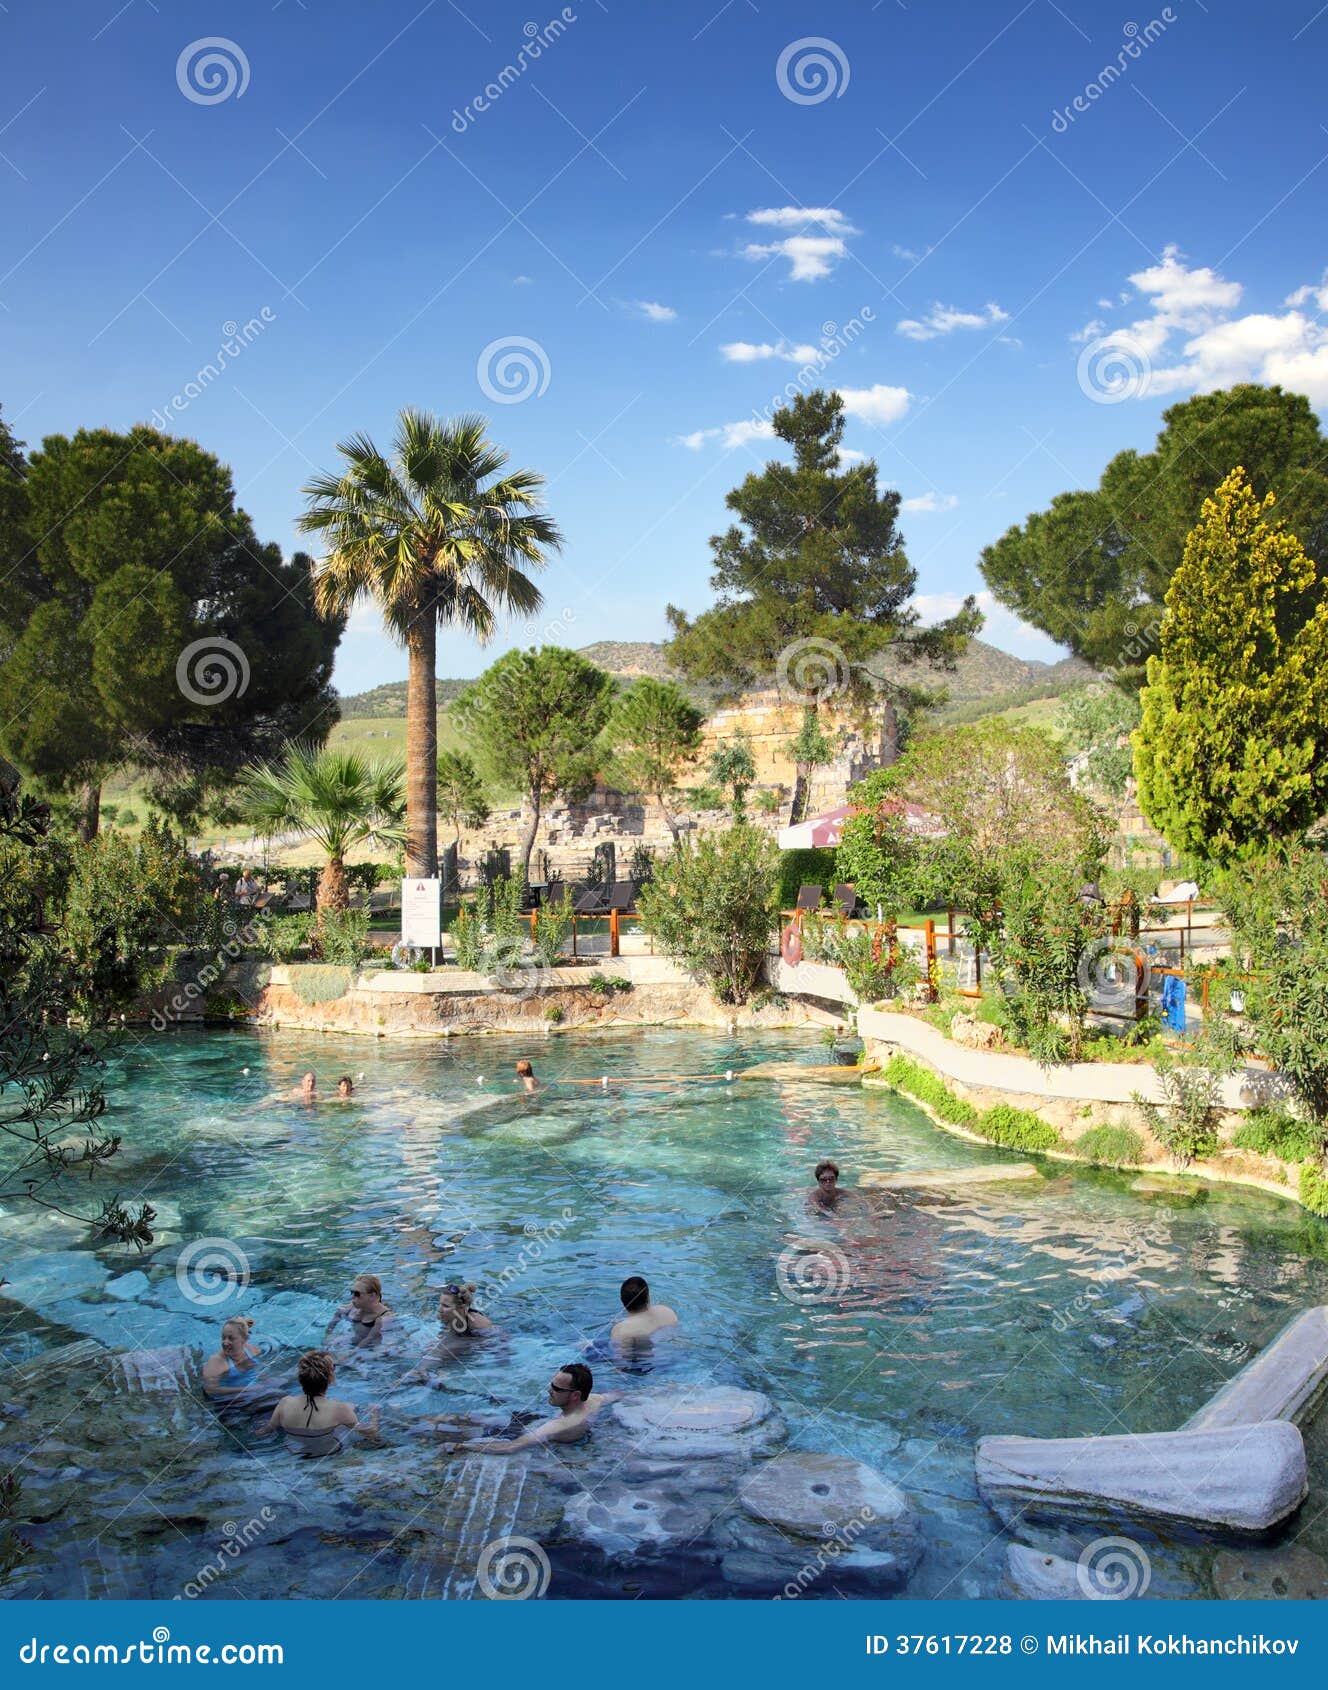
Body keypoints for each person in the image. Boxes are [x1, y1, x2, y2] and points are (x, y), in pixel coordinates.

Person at [440, 1362, 618, 1455]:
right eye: (551, 1385)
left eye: (556, 1389)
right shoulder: (594, 1400)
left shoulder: (559, 1426)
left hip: (538, 1428)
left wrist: (463, 1446)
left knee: (479, 1421)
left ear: (575, 1395)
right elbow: (619, 1395)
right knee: (500, 1405)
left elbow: (511, 1447)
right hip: (540, 1419)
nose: (549, 1390)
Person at [263, 1350, 379, 1456]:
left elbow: (267, 1431)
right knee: (349, 1416)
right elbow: (370, 1433)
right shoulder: (340, 1409)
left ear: (300, 1377)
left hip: (295, 1453)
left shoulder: (285, 1403)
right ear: (330, 1378)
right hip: (331, 1453)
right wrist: (374, 1414)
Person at [326, 1273, 395, 1347]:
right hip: (353, 1340)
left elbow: (369, 1339)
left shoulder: (384, 1318)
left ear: (372, 1296)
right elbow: (336, 1318)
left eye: (357, 1294)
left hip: (370, 1349)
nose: (352, 1297)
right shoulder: (353, 1307)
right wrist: (328, 1335)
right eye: (352, 1292)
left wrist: (347, 1355)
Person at [202, 1315, 262, 1397]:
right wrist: (246, 1390)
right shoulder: (215, 1362)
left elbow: (260, 1370)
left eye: (231, 1338)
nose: (225, 1342)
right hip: (230, 1401)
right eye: (223, 1338)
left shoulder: (253, 1351)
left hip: (254, 1392)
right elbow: (210, 1390)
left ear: (245, 1338)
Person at [611, 1276, 678, 1345]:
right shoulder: (667, 1311)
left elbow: (620, 1355)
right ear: (648, 1298)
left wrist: (619, 1326)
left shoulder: (621, 1330)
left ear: (621, 1300)